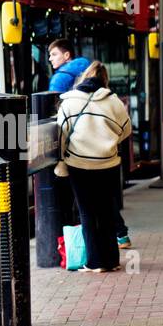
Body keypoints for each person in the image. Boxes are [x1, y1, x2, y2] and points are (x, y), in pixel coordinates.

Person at [56, 60, 131, 272]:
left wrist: (62, 160)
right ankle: (111, 261)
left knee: (87, 213)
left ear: (83, 77)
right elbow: (125, 130)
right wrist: (107, 142)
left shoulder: (69, 102)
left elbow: (61, 133)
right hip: (108, 163)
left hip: (79, 164)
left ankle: (95, 262)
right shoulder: (113, 101)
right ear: (104, 79)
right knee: (107, 211)